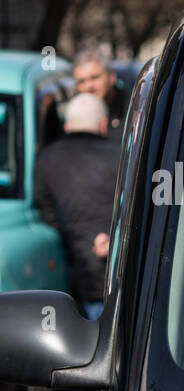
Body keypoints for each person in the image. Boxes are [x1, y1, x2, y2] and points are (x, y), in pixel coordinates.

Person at [33, 93, 119, 321]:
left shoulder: (45, 160)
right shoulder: (123, 157)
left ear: (68, 125)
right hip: (118, 278)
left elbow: (47, 217)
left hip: (72, 281)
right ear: (103, 125)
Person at [73, 47, 126, 143]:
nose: (89, 86)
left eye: (94, 77)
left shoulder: (133, 109)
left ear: (111, 77)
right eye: (81, 81)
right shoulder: (74, 112)